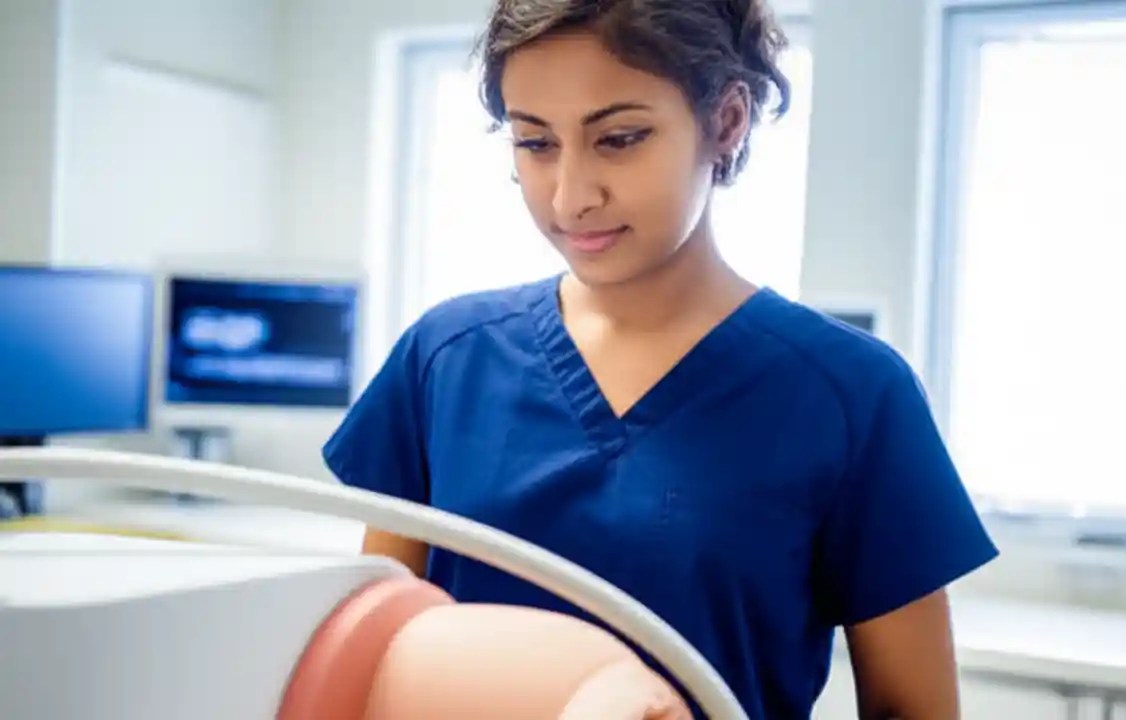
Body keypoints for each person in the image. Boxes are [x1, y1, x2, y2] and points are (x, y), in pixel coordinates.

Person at [322, 0, 998, 717]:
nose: (570, 196)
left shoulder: (851, 395)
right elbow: (370, 655)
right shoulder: (447, 359)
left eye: (619, 138)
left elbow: (914, 710)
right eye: (535, 143)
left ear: (727, 123)